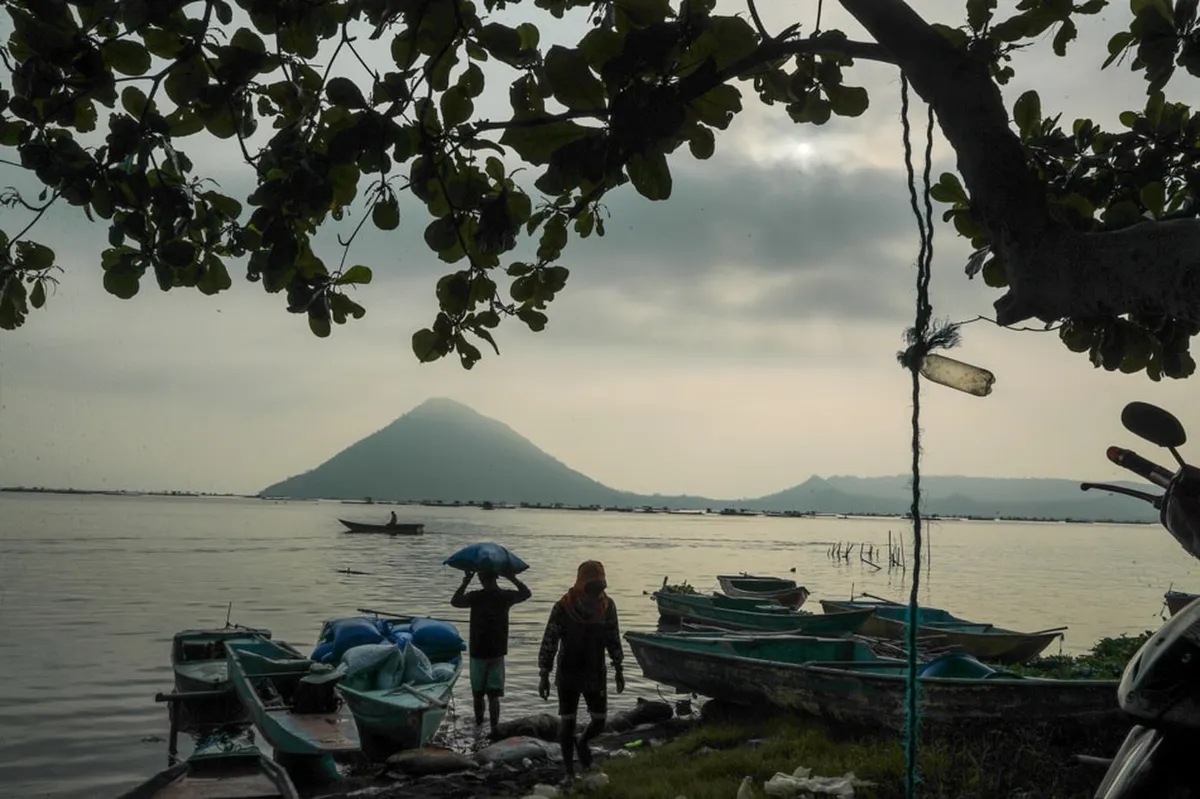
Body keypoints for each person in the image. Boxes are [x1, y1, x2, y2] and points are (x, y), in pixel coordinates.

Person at [537, 560, 624, 783]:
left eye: (600, 587)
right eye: (592, 587)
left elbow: (613, 637)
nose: (596, 593)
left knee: (599, 721)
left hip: (596, 670)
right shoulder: (563, 607)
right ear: (581, 584)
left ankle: (583, 742)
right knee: (567, 723)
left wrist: (618, 668)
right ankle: (569, 772)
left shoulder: (608, 606)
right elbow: (550, 640)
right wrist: (544, 673)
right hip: (569, 671)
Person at [450, 569, 531, 729]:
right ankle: (494, 729)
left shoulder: (476, 597)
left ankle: (479, 728)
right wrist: (512, 578)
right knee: (494, 696)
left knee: (478, 695)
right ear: (496, 577)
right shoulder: (504, 596)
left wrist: (465, 582)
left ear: (481, 578)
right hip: (497, 652)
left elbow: (455, 601)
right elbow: (526, 593)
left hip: (478, 652)